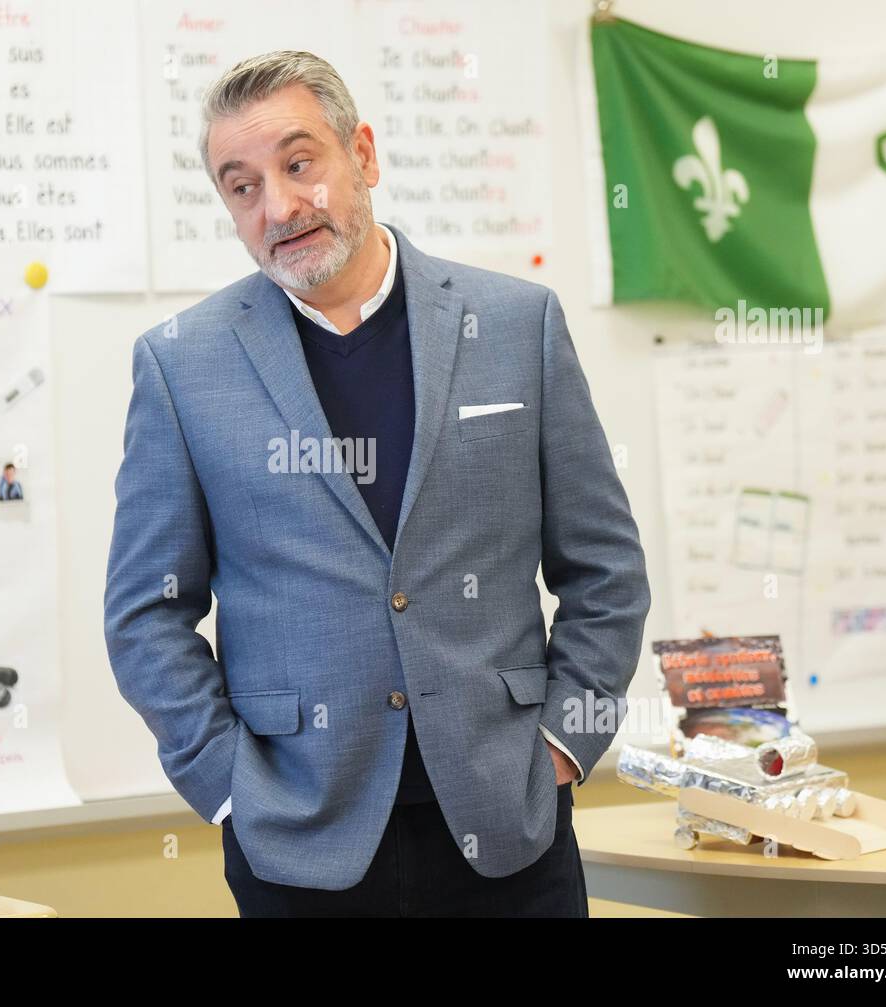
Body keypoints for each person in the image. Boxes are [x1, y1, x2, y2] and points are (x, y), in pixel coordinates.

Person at [104, 51, 650, 917]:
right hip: (299, 844)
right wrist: (231, 788)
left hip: (511, 827)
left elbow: (606, 569)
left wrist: (564, 745)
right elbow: (144, 613)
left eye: (298, 163)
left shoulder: (516, 324)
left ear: (362, 154)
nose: (278, 207)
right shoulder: (182, 366)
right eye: (241, 186)